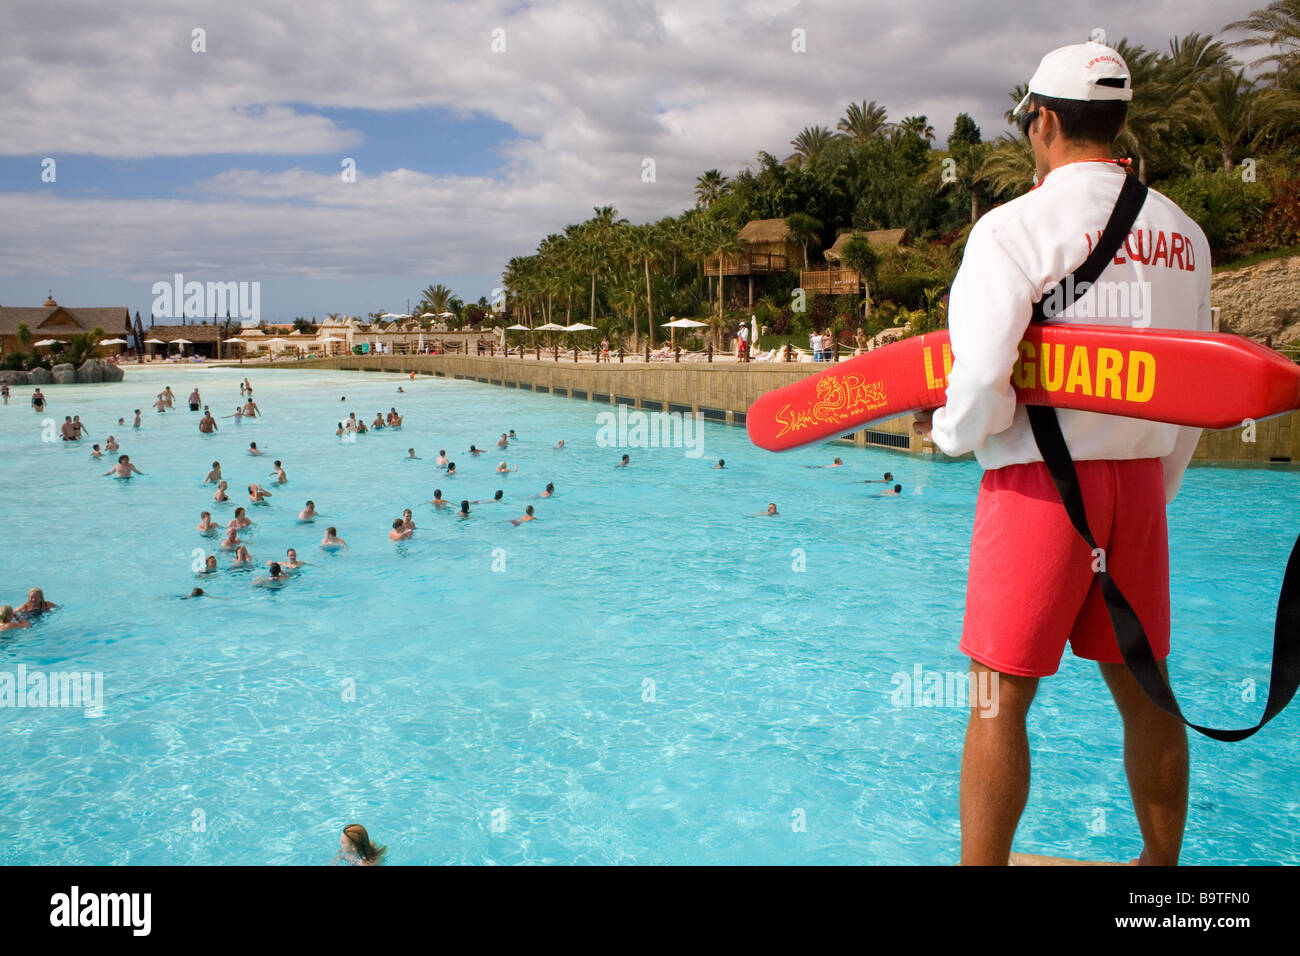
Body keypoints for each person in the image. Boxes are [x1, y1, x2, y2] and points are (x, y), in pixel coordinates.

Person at [911, 40, 1209, 867]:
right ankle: (1159, 875)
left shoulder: (1012, 227)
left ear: (1040, 121)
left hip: (1039, 490)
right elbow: (1197, 388)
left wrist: (950, 437)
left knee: (997, 701)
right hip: (1140, 489)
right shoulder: (1185, 234)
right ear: (1119, 121)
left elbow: (978, 374)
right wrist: (1155, 484)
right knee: (1147, 693)